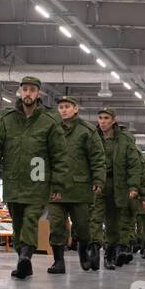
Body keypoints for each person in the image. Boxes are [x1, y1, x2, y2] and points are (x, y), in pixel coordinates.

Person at [0, 76, 69, 280]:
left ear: (38, 94)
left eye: (32, 90)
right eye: (25, 89)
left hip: (38, 182)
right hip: (13, 181)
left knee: (30, 219)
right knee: (18, 223)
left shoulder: (49, 122)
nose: (28, 93)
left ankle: (26, 256)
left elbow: (59, 155)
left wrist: (58, 183)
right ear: (20, 92)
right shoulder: (8, 120)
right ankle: (22, 258)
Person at [46, 95, 105, 273]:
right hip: (57, 187)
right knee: (56, 225)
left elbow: (97, 157)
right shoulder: (51, 128)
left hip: (80, 188)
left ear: (75, 109)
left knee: (83, 227)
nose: (63, 109)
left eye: (67, 106)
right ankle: (58, 262)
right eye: (61, 107)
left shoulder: (87, 131)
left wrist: (98, 179)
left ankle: (83, 253)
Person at [92, 108, 145, 270]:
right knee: (94, 218)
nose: (102, 121)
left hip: (118, 185)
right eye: (100, 118)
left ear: (113, 120)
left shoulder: (124, 140)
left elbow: (133, 165)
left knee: (113, 222)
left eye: (106, 118)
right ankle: (94, 249)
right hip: (98, 184)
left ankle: (109, 255)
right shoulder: (92, 137)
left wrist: (133, 187)